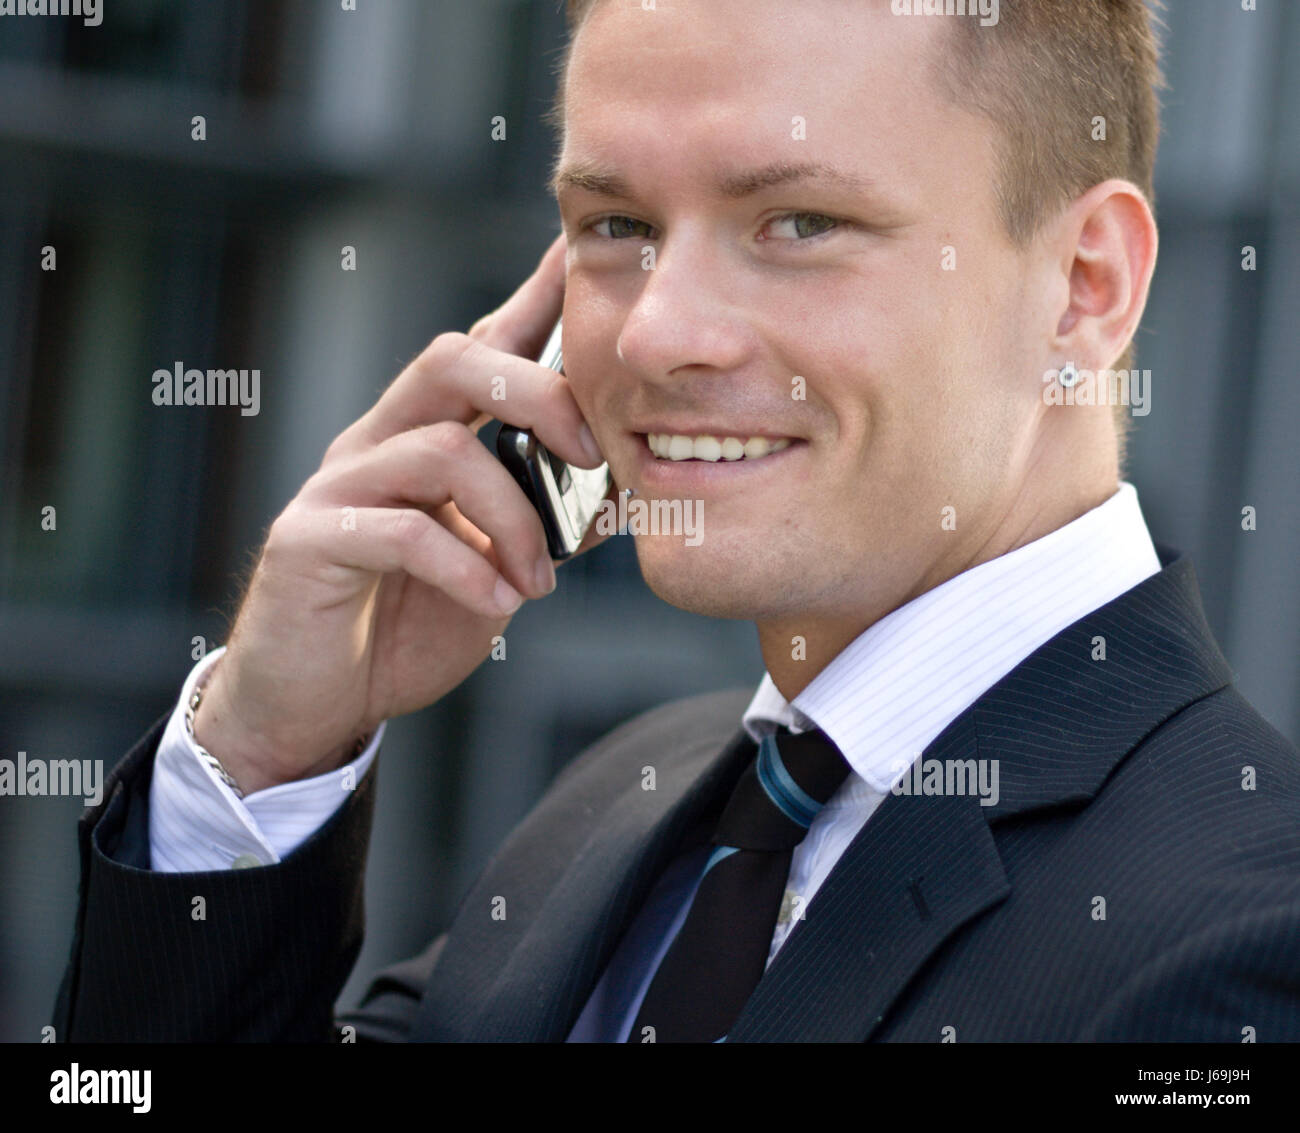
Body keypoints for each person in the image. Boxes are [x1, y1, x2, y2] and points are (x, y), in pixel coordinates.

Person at [54, 0, 1300, 1042]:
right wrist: (266, 751)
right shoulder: (610, 815)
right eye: (618, 227)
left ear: (1084, 289)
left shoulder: (1247, 948)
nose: (653, 332)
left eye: (799, 222)